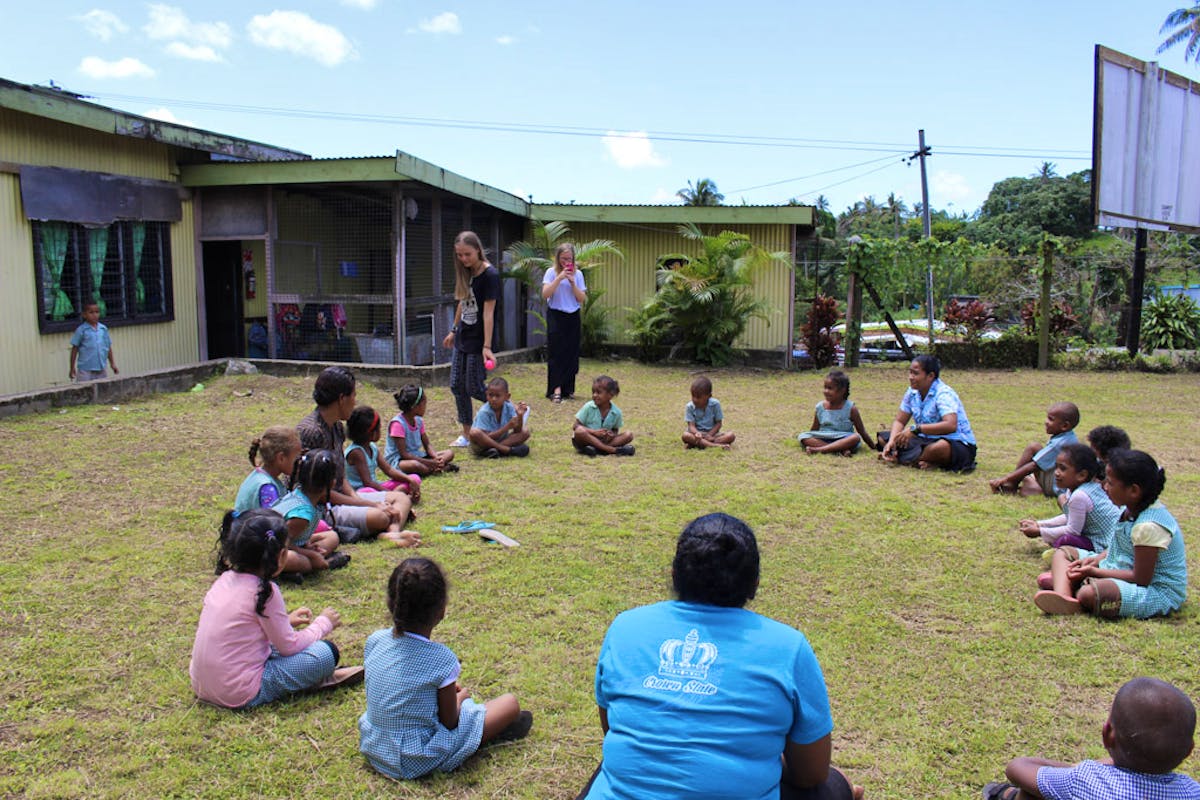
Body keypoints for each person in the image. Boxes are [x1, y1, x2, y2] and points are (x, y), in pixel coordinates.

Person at [580, 513, 859, 800]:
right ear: (755, 585)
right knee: (835, 785)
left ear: (675, 575)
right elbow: (809, 774)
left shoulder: (626, 627)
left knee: (610, 767)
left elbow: (612, 725)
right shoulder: (788, 647)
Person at [358, 557, 533, 779]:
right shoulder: (442, 659)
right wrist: (461, 699)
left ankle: (494, 727)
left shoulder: (375, 640)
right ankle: (492, 731)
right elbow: (449, 721)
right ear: (441, 610)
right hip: (412, 757)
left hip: (375, 745)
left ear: (391, 604)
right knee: (509, 704)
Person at [190, 509, 362, 709]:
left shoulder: (223, 580)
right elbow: (288, 647)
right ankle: (312, 680)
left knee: (287, 647)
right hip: (241, 693)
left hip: (202, 685)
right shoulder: (265, 591)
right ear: (281, 555)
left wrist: (285, 622)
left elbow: (242, 629)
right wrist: (323, 624)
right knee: (326, 653)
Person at [983, 677, 1199, 800]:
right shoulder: (1191, 791)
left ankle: (1007, 796)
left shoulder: (1087, 779)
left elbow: (1017, 768)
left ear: (1107, 735)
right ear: (1189, 750)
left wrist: (1076, 766)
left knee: (1034, 793)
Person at [1034, 449, 1188, 618]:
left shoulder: (1149, 526)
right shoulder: (1127, 509)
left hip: (1153, 591)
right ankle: (1064, 596)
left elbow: (1140, 578)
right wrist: (1094, 561)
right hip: (1118, 566)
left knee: (1090, 594)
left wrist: (1094, 572)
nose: (1104, 486)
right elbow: (1118, 547)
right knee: (1063, 552)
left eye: (1110, 483)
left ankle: (1072, 586)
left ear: (1134, 491)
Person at [296, 366, 412, 543]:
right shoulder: (312, 432)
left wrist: (357, 498)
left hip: (340, 496)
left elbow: (340, 476)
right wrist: (370, 504)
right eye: (354, 396)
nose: (355, 401)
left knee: (401, 499)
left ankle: (391, 532)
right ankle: (384, 526)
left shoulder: (336, 426)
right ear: (342, 399)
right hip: (321, 505)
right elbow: (318, 492)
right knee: (379, 515)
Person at [441, 231, 500, 447]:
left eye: (467, 254)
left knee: (474, 387)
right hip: (462, 337)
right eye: (459, 255)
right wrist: (454, 330)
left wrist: (486, 345)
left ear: (477, 249)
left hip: (478, 339)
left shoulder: (490, 275)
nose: (464, 259)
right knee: (457, 385)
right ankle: (466, 434)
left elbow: (488, 313)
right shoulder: (466, 273)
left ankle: (508, 409)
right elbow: (462, 301)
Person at [879, 355, 977, 472]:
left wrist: (917, 429)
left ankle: (905, 458)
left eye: (915, 373)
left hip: (955, 443)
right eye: (910, 373)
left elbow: (951, 425)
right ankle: (919, 459)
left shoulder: (943, 394)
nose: (911, 377)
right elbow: (900, 421)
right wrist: (892, 442)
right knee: (883, 438)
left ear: (930, 376)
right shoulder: (912, 392)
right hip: (925, 439)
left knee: (940, 448)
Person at [1019, 444, 1118, 553]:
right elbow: (1071, 517)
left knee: (1065, 540)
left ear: (1082, 475)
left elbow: (1073, 531)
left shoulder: (1080, 495)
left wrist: (1039, 531)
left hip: (1104, 545)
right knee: (1061, 538)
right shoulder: (1083, 488)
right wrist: (1039, 524)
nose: (1056, 473)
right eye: (1056, 467)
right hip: (1103, 539)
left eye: (1062, 468)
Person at [271, 450, 352, 575]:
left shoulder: (299, 494)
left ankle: (295, 568)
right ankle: (324, 564)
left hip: (289, 542)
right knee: (305, 562)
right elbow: (279, 542)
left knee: (332, 537)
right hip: (269, 549)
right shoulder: (302, 515)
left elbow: (292, 537)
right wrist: (309, 554)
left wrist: (307, 545)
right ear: (332, 483)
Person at [989, 402, 1079, 496]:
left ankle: (1011, 485)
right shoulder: (1069, 436)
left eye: (1051, 419)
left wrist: (1006, 478)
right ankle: (1019, 484)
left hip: (1057, 488)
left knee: (1032, 449)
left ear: (1065, 426)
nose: (1046, 422)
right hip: (1062, 482)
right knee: (1035, 448)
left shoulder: (1058, 444)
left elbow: (1034, 465)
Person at [542, 242, 587, 403]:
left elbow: (581, 298)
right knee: (556, 352)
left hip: (573, 315)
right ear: (557, 258)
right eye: (563, 258)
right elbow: (545, 294)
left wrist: (573, 282)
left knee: (571, 352)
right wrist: (559, 278)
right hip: (556, 315)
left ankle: (568, 388)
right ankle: (556, 389)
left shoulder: (578, 274)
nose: (566, 261)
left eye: (569, 258)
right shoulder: (550, 272)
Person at [345, 406, 421, 501]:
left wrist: (409, 480)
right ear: (371, 433)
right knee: (367, 491)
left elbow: (388, 469)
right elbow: (368, 483)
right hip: (361, 492)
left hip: (376, 486)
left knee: (415, 478)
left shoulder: (372, 447)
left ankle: (398, 495)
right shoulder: (357, 452)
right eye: (379, 428)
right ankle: (398, 496)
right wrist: (391, 494)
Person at [385, 384, 457, 477]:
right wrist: (429, 462)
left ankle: (435, 468)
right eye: (424, 404)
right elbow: (404, 454)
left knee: (449, 453)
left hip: (417, 456)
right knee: (415, 465)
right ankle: (437, 468)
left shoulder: (418, 421)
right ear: (415, 407)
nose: (425, 407)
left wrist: (435, 457)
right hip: (399, 460)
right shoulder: (398, 424)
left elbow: (427, 444)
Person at [797, 370, 874, 456]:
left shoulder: (851, 408)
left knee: (855, 437)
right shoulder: (820, 407)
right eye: (825, 387)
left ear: (842, 391)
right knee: (803, 436)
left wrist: (873, 447)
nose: (826, 391)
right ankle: (839, 450)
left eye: (830, 388)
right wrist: (810, 437)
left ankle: (819, 449)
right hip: (824, 437)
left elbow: (861, 431)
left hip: (844, 438)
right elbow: (815, 428)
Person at [234, 426, 301, 513]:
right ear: (281, 458)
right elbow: (273, 522)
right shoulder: (267, 487)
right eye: (296, 458)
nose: (299, 463)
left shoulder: (260, 474)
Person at [469, 377, 530, 458]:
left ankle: (494, 452)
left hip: (500, 441)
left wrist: (520, 416)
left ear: (507, 396)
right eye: (490, 395)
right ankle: (507, 450)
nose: (493, 399)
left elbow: (517, 431)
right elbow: (487, 437)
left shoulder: (509, 407)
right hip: (482, 444)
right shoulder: (484, 412)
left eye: (498, 396)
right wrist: (507, 427)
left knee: (525, 432)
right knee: (474, 432)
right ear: (486, 394)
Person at [572, 375, 634, 457]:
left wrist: (612, 435)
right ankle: (612, 450)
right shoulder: (588, 406)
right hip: (586, 440)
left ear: (610, 395)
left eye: (598, 392)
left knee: (628, 435)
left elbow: (615, 429)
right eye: (593, 392)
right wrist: (594, 432)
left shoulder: (616, 412)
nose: (594, 395)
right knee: (579, 431)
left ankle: (596, 450)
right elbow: (576, 426)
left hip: (604, 441)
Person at [69, 301, 118, 382]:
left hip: (101, 367)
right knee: (84, 391)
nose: (94, 315)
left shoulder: (103, 329)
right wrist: (72, 368)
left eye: (97, 312)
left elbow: (108, 347)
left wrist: (112, 364)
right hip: (85, 369)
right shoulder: (82, 330)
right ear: (84, 315)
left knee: (102, 391)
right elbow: (74, 349)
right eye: (91, 312)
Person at [682, 375, 736, 449]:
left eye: (698, 397)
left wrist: (710, 435)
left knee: (731, 435)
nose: (695, 399)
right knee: (686, 436)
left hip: (712, 434)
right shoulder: (690, 406)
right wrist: (697, 433)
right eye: (693, 396)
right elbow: (691, 426)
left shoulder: (715, 404)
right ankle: (716, 446)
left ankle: (699, 444)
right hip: (696, 435)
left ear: (709, 396)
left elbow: (718, 423)